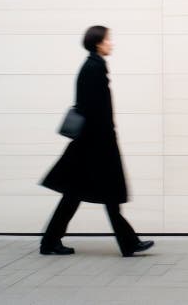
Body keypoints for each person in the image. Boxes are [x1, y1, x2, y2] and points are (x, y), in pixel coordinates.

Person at [39, 25, 154, 257]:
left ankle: (51, 241)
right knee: (99, 193)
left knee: (76, 194)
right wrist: (107, 140)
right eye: (108, 39)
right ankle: (127, 243)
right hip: (96, 145)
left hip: (91, 144)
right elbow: (94, 110)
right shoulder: (93, 68)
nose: (111, 43)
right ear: (98, 43)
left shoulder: (94, 66)